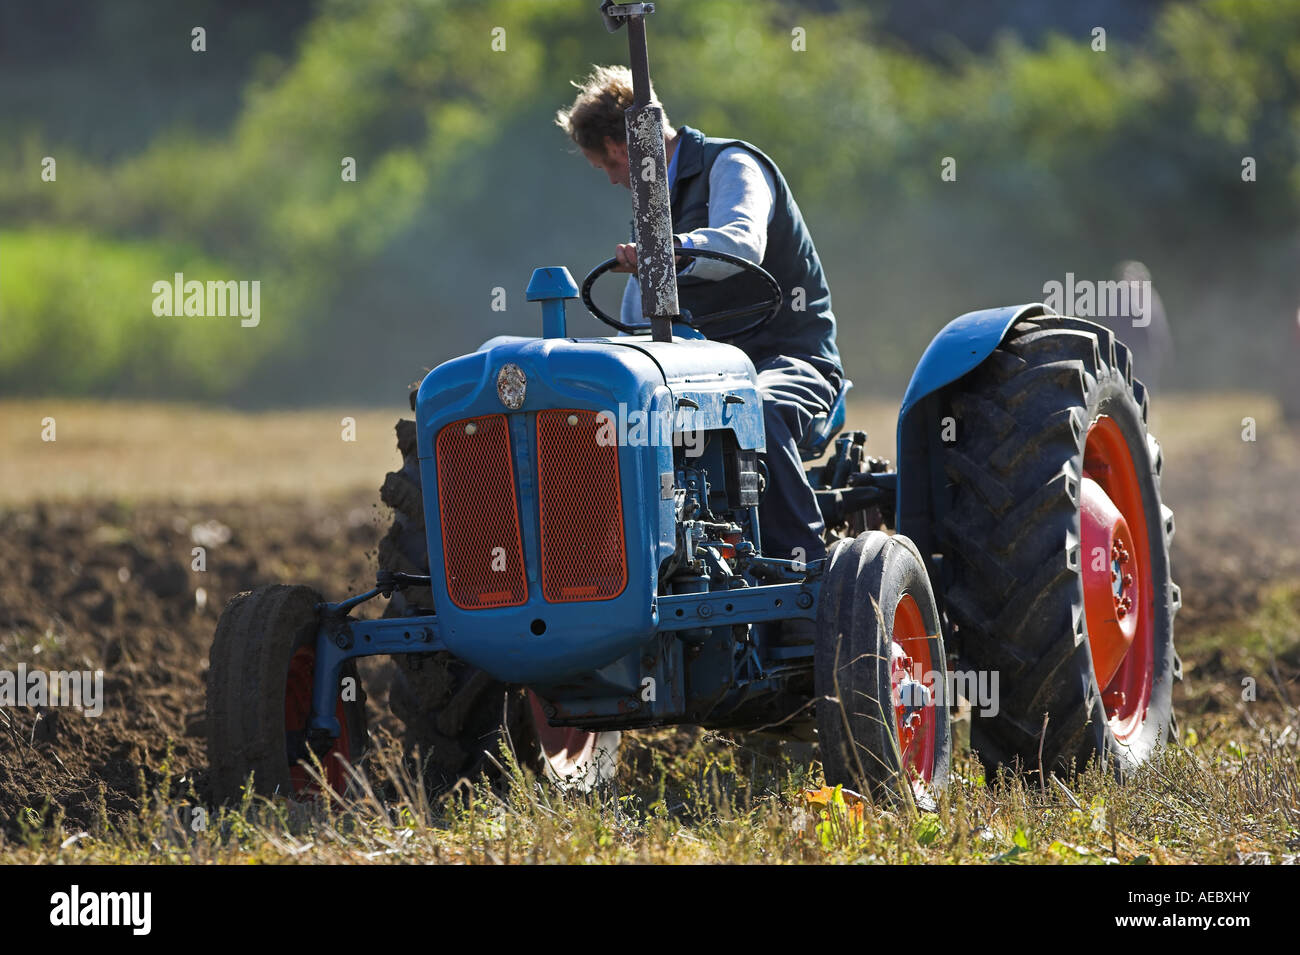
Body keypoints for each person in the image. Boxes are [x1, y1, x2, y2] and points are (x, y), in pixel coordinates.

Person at [555, 65, 843, 586]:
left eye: (605, 167)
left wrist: (671, 250)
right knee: (617, 426)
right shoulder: (654, 213)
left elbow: (741, 243)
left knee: (760, 408)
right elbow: (636, 327)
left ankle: (806, 582)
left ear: (616, 148)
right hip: (701, 381)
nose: (614, 179)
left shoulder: (732, 165)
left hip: (786, 360)